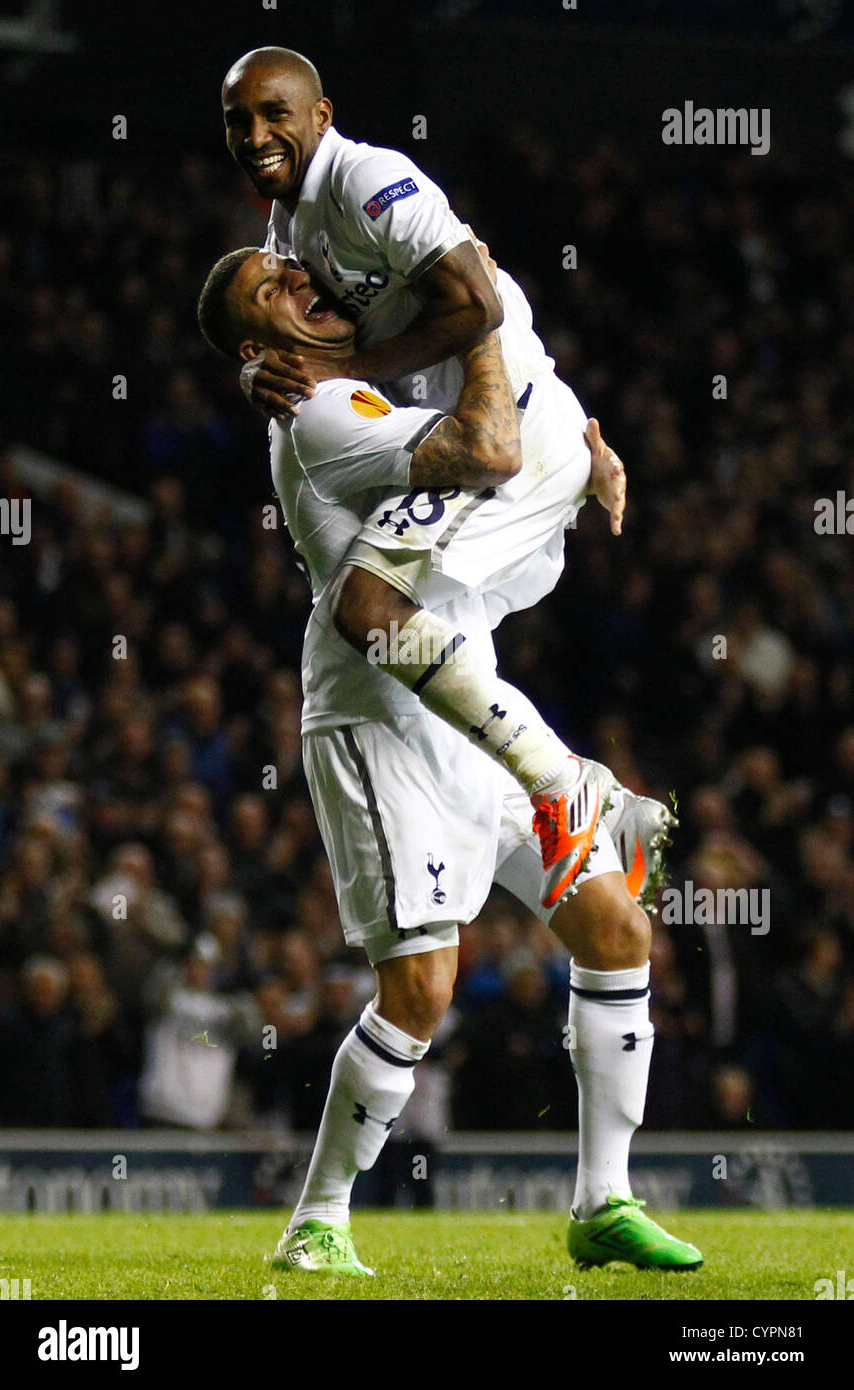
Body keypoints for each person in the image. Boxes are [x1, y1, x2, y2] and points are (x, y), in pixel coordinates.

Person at [196, 249, 701, 1276]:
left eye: (291, 266)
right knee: (421, 989)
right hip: (377, 714)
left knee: (614, 927)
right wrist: (482, 327)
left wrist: (577, 461)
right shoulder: (321, 416)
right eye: (270, 289)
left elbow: (502, 470)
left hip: (462, 691)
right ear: (260, 350)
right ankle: (319, 1218)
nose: (297, 277)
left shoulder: (371, 379)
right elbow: (485, 450)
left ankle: (602, 1200)